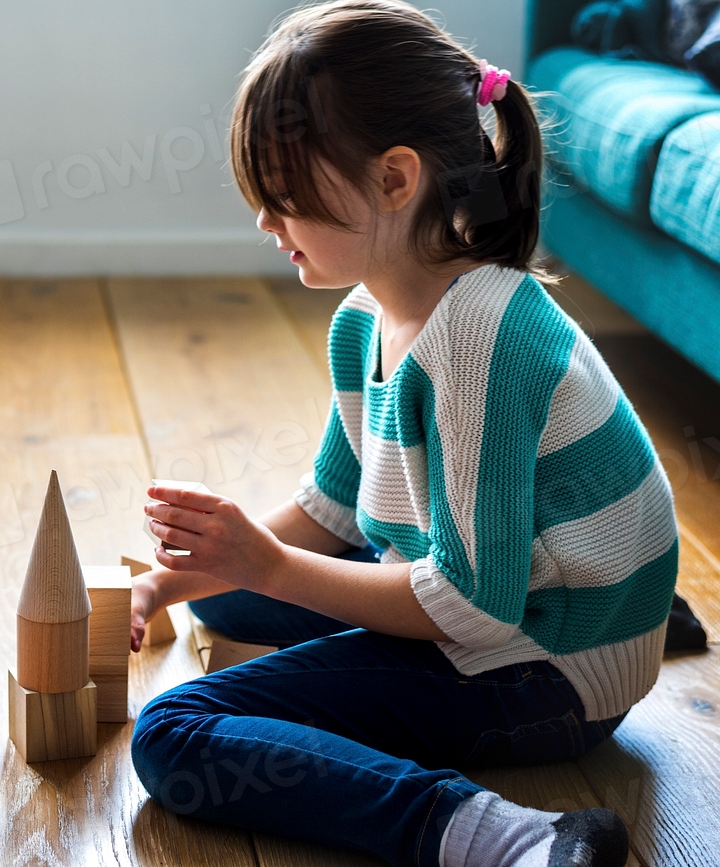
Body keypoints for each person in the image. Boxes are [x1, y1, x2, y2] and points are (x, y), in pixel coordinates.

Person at [129, 3, 675, 866]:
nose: (267, 225)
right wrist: (176, 575)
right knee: (220, 594)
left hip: (549, 668)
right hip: (499, 604)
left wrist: (264, 563)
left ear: (395, 179)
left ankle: (508, 838)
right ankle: (620, 599)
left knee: (174, 733)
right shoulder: (367, 317)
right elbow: (335, 507)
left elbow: (472, 605)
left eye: (285, 199)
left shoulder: (478, 345)